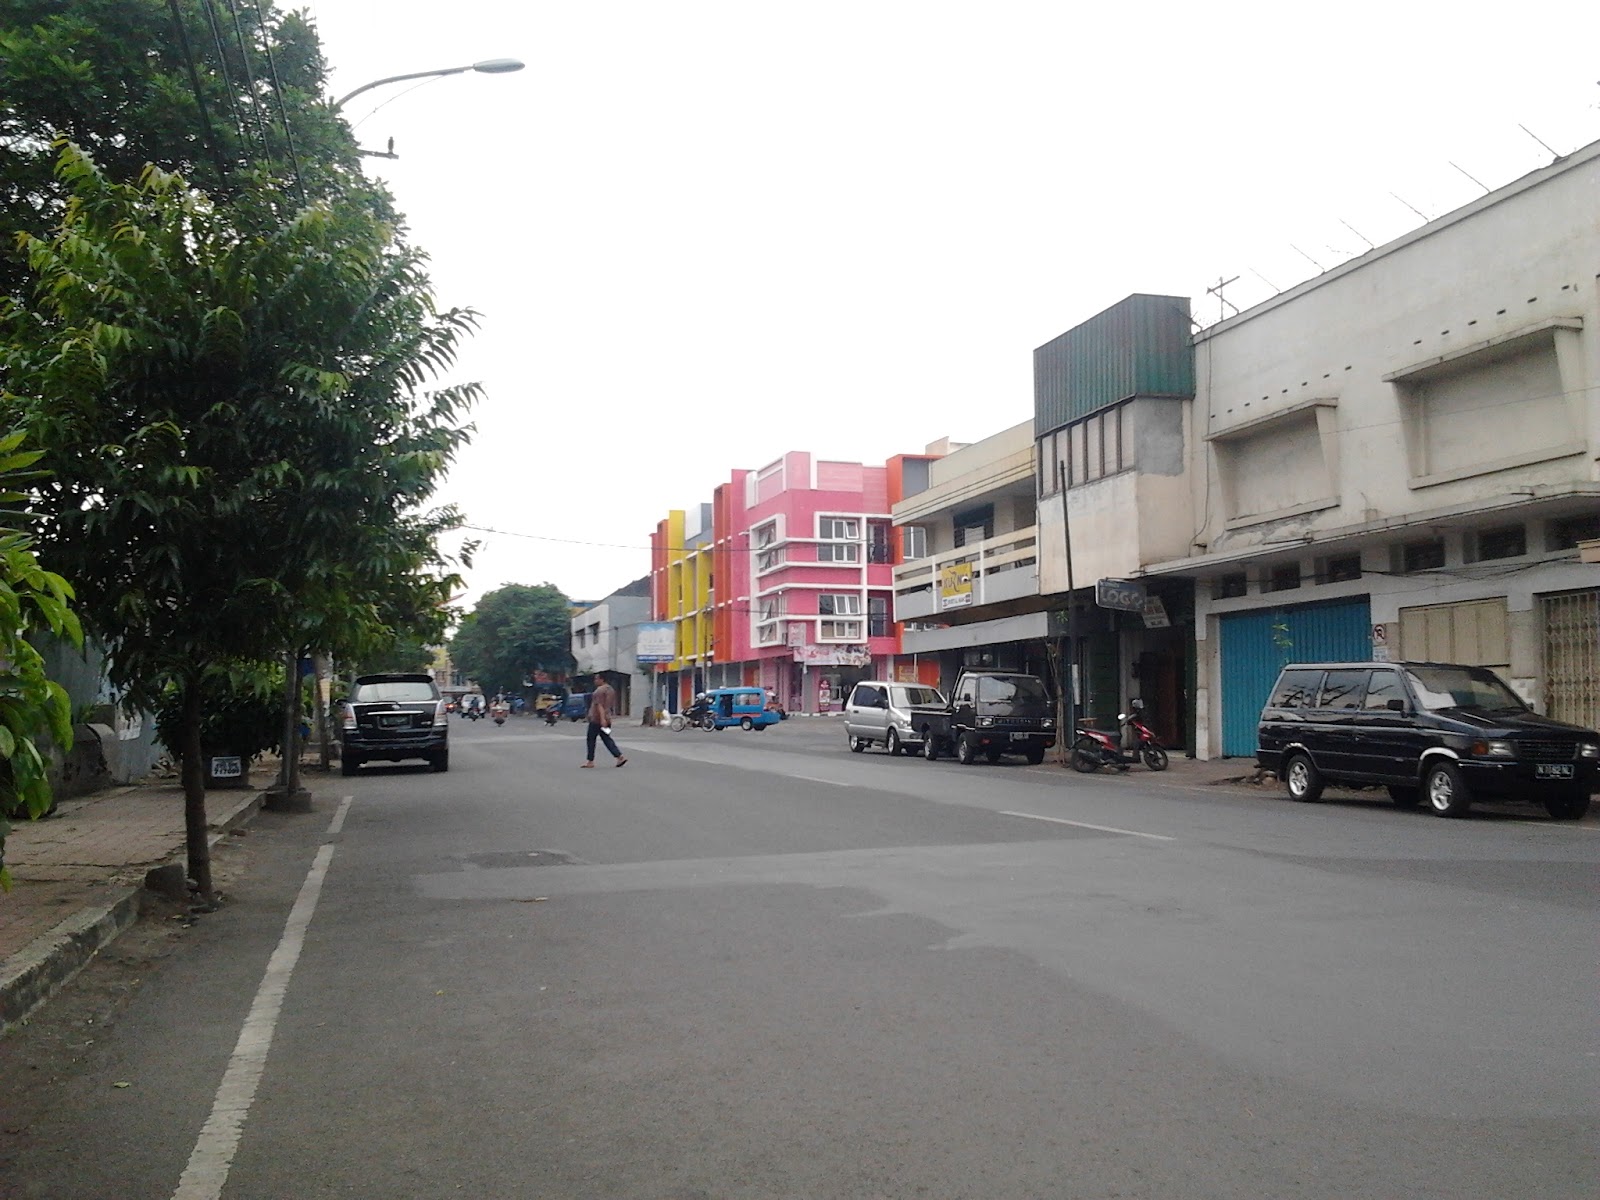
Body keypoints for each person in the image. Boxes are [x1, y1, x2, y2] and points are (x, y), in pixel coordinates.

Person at [581, 674, 627, 768]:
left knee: (591, 739)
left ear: (602, 679)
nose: (595, 681)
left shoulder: (599, 691)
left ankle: (590, 761)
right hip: (608, 718)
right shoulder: (611, 690)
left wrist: (602, 719)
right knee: (606, 738)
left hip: (597, 720)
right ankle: (619, 756)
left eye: (596, 679)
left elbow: (599, 706)